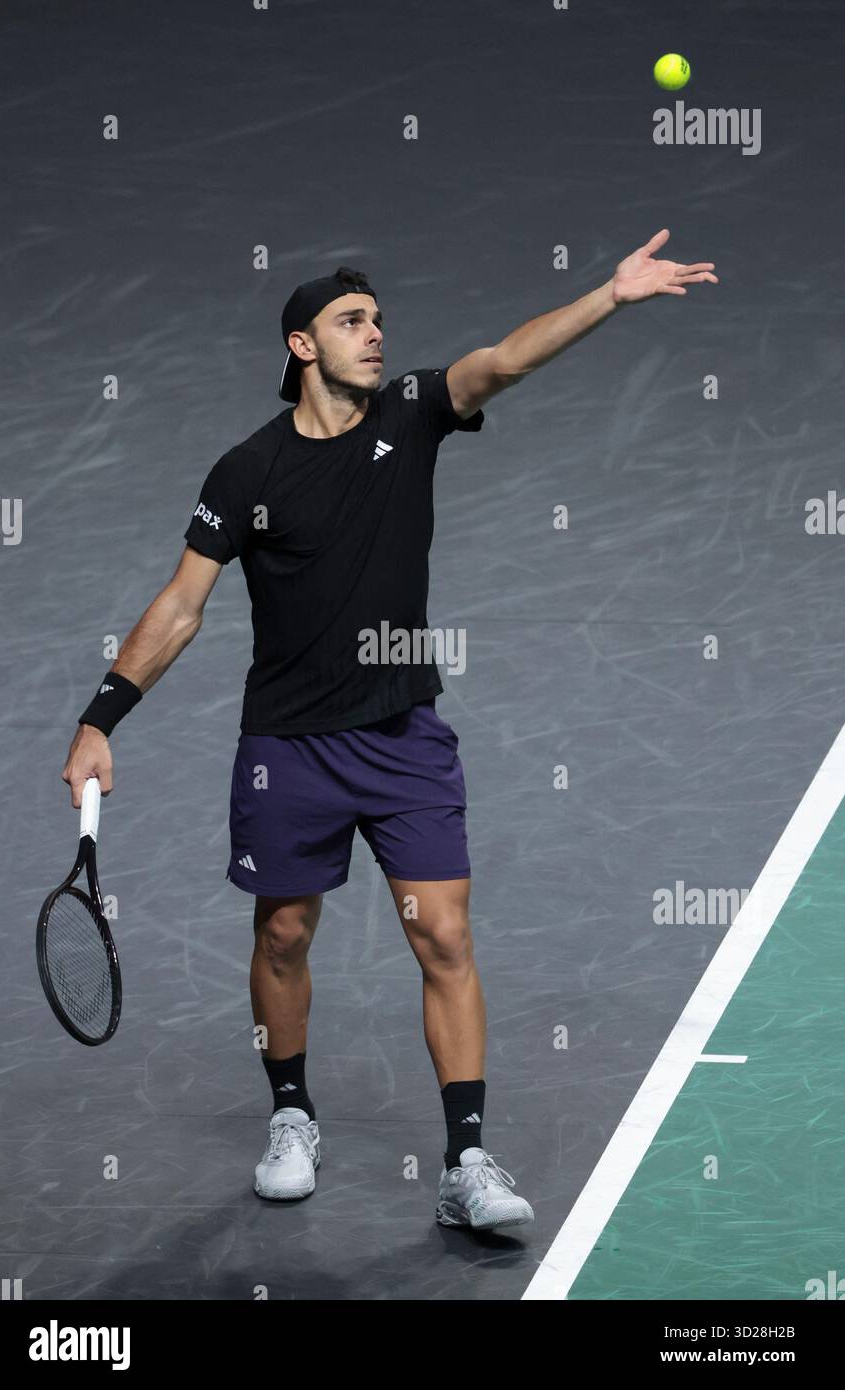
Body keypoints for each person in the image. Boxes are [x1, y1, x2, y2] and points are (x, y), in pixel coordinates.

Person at [62, 232, 717, 1230]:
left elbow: (502, 359)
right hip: (288, 748)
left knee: (443, 936)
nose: (375, 335)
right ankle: (290, 1115)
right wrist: (101, 717)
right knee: (282, 933)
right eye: (351, 322)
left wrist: (611, 298)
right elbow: (180, 605)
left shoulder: (410, 413)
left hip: (403, 736)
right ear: (302, 343)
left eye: (376, 320)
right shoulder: (246, 471)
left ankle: (465, 1161)